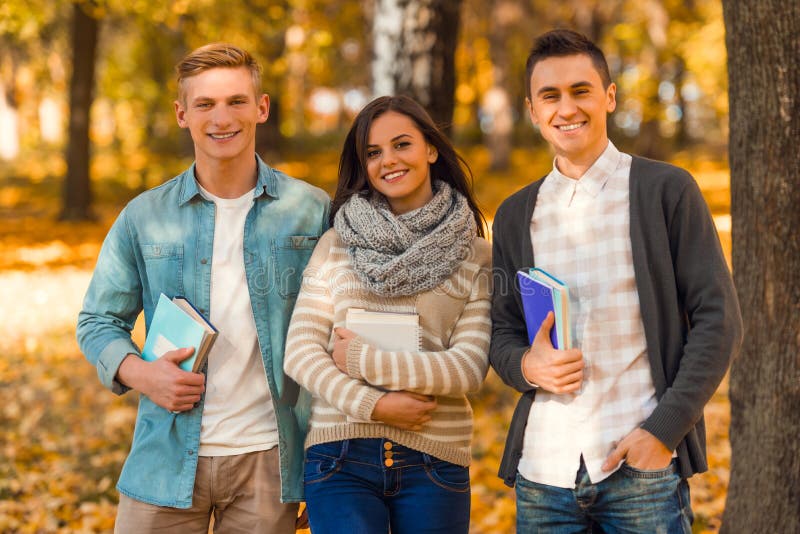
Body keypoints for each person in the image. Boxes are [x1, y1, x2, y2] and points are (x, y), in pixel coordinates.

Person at [489, 29, 743, 533]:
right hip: (544, 475)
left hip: (641, 472)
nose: (567, 108)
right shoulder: (516, 214)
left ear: (608, 96)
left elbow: (719, 320)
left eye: (581, 90)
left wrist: (663, 433)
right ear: (533, 111)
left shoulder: (665, 191)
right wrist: (527, 366)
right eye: (550, 96)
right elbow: (500, 335)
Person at [76, 43, 329, 532]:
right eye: (205, 104)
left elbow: (336, 332)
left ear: (262, 107)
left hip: (269, 462)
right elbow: (98, 321)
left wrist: (328, 468)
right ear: (181, 114)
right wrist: (140, 373)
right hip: (165, 460)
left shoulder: (311, 211)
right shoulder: (144, 216)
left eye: (236, 101)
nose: (222, 118)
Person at [283, 95, 492, 534]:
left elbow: (469, 367)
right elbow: (301, 354)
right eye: (373, 153)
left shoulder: (476, 256)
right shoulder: (335, 244)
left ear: (431, 149)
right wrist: (376, 405)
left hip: (436, 459)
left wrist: (363, 361)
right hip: (339, 458)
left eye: (402, 145)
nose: (388, 161)